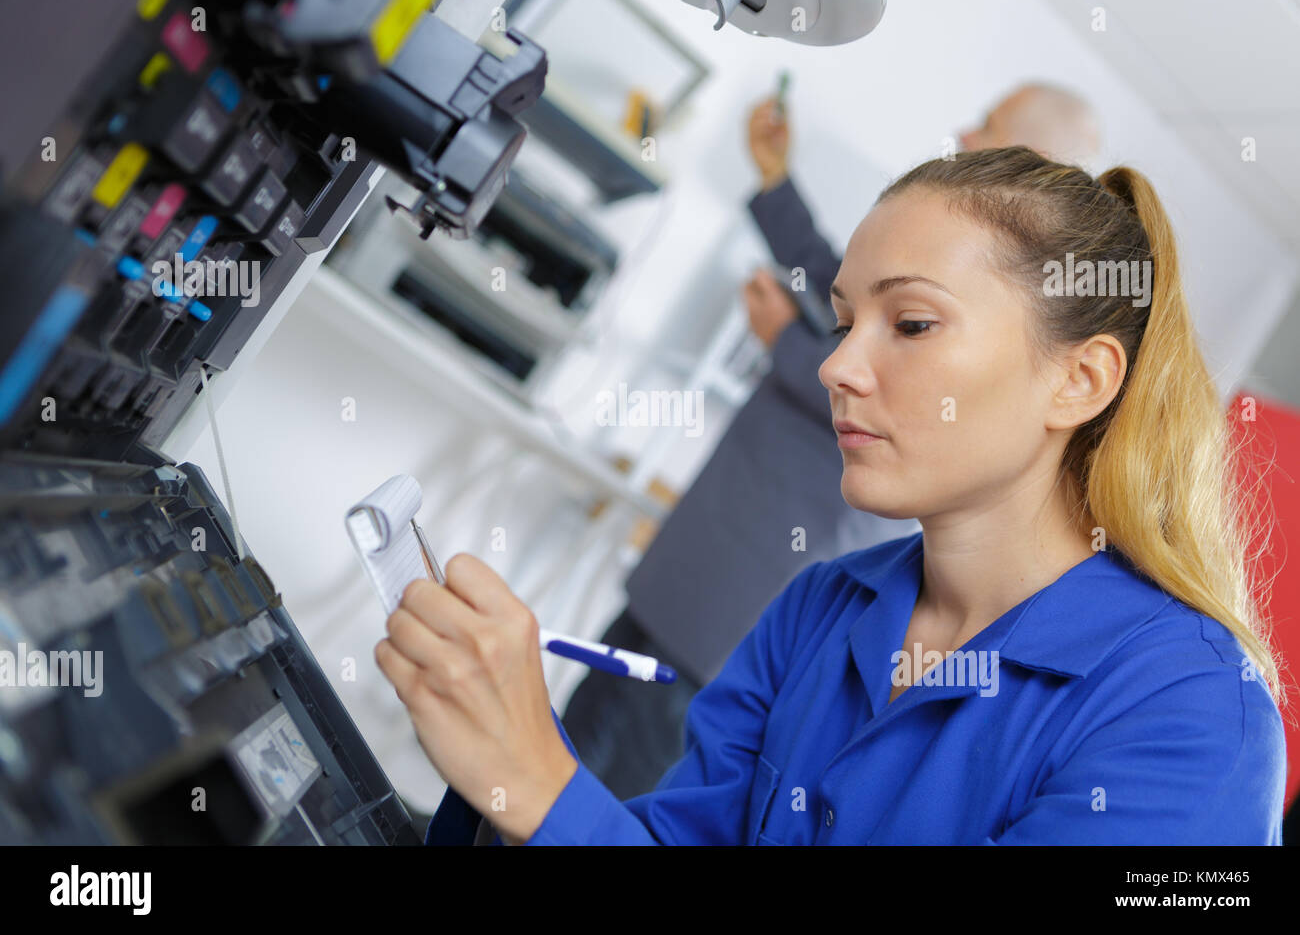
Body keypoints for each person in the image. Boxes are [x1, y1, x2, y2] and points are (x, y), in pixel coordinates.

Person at [381, 145, 1287, 845]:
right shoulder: (823, 607)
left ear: (1079, 381)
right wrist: (500, 767)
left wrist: (547, 788)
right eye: (847, 322)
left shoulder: (1198, 717)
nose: (838, 366)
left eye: (913, 324)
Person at [556, 82, 1103, 801]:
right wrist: (776, 181)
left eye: (986, 124)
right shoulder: (957, 263)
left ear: (1028, 160)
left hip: (735, 603)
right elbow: (843, 291)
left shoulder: (1012, 313)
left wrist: (787, 340)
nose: (963, 130)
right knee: (563, 751)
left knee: (599, 795)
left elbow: (912, 410)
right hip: (701, 573)